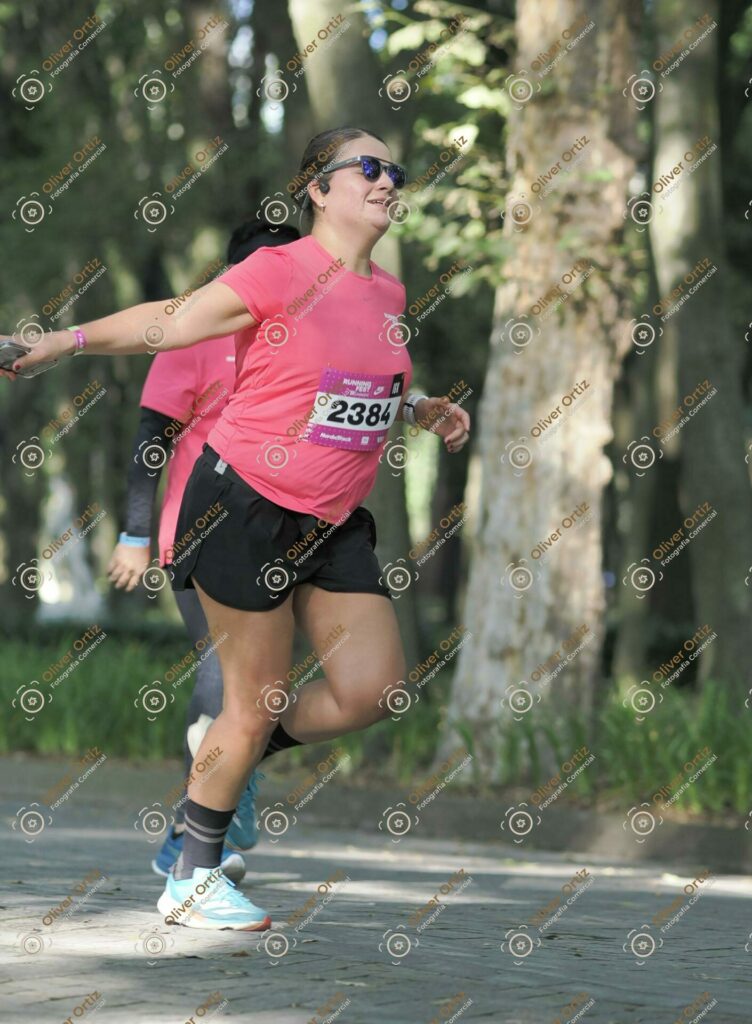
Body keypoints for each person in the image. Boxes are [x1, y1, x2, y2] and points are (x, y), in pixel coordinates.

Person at [3, 125, 471, 932]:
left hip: (333, 522)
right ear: (317, 188)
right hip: (243, 506)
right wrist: (63, 341)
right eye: (367, 167)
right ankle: (190, 879)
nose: (387, 180)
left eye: (393, 169)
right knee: (253, 702)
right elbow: (172, 321)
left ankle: (229, 747)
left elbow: (346, 382)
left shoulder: (390, 293)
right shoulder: (280, 268)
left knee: (373, 690)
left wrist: (419, 408)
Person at [106, 219, 300, 883]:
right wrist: (134, 535)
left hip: (283, 535)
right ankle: (188, 840)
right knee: (222, 669)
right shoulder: (195, 334)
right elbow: (150, 442)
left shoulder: (306, 338)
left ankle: (225, 796)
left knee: (263, 686)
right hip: (198, 532)